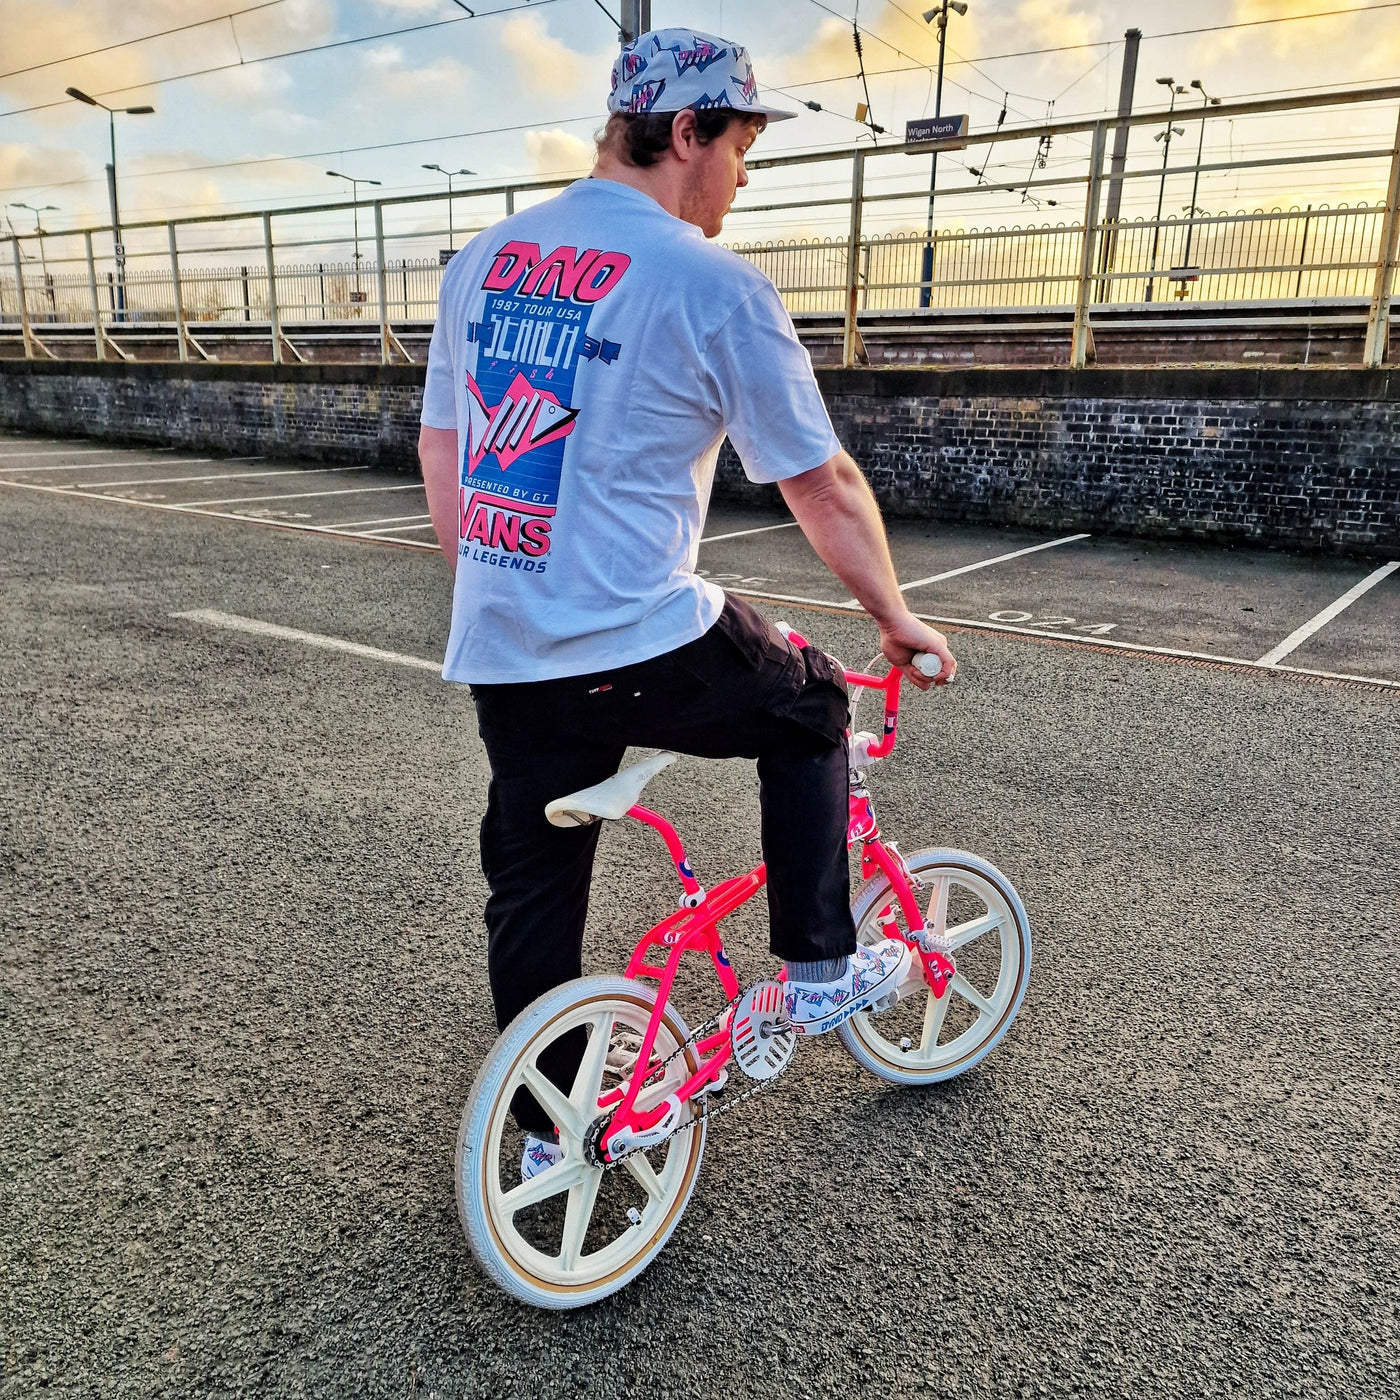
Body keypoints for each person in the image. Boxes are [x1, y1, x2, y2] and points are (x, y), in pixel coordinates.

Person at [419, 27, 956, 1177]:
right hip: (634, 631)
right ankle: (818, 964)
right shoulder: (709, 283)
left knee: (532, 876)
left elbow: (444, 452)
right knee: (809, 699)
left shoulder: (483, 260)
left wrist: (507, 588)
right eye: (741, 145)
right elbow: (818, 482)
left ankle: (543, 1132)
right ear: (681, 133)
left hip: (504, 642)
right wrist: (894, 616)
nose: (743, 176)